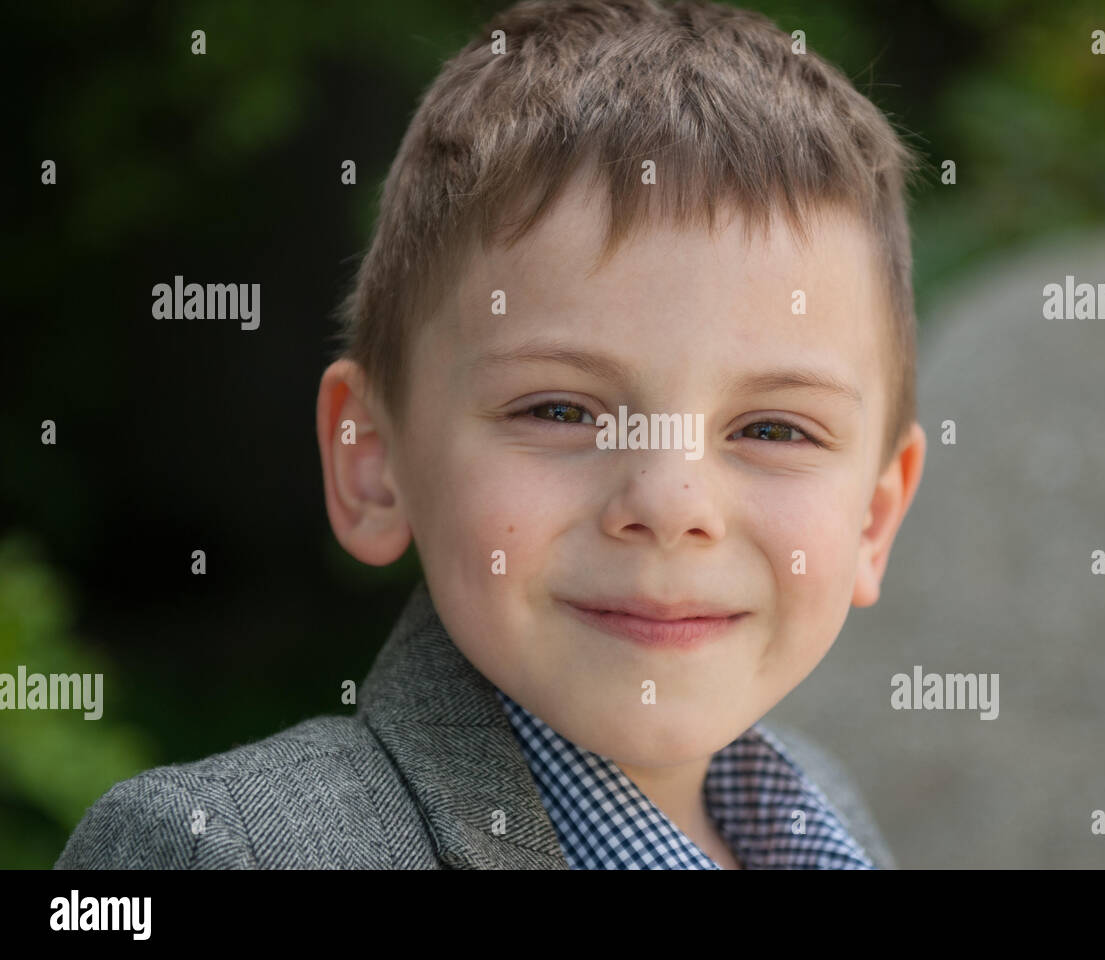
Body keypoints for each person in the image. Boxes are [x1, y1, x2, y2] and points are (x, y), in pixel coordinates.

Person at [56, 0, 925, 870]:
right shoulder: (217, 851)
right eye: (560, 410)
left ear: (874, 522)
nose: (670, 505)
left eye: (773, 427)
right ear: (375, 465)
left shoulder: (826, 818)